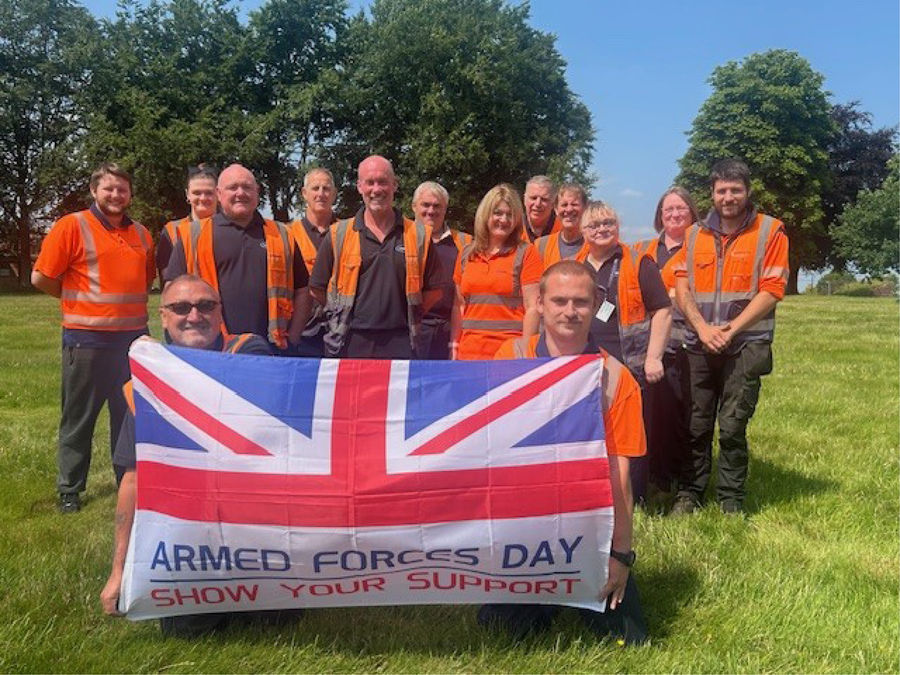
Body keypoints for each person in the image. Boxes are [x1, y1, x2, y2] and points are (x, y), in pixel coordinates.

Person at [481, 260, 648, 645]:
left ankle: (576, 587)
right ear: (539, 303)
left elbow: (619, 474)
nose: (569, 312)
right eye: (559, 301)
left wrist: (620, 555)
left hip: (588, 528)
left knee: (627, 640)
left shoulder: (617, 378)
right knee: (501, 630)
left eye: (580, 302)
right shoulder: (510, 359)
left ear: (596, 305)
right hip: (524, 528)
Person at [100, 274, 274, 638]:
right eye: (180, 307)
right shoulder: (144, 386)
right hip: (192, 529)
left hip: (255, 521)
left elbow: (239, 378)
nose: (194, 315)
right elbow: (132, 480)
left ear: (220, 311)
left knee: (282, 615)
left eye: (206, 306)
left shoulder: (249, 351)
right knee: (186, 631)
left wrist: (165, 362)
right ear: (162, 316)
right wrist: (119, 572)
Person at [31, 163, 155, 513]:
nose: (116, 195)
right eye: (109, 188)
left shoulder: (143, 234)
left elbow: (144, 282)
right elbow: (41, 278)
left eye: (122, 189)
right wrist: (77, 299)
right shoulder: (72, 225)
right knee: (78, 417)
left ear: (130, 194)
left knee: (129, 416)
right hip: (86, 341)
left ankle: (125, 481)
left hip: (133, 342)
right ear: (94, 191)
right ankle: (70, 489)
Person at [670, 159, 789, 515]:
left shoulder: (771, 231)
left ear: (747, 191)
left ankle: (730, 500)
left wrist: (730, 330)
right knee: (696, 423)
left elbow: (772, 289)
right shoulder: (694, 234)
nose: (728, 197)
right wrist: (704, 329)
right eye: (721, 190)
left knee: (733, 425)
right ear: (712, 194)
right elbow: (680, 283)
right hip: (700, 343)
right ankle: (690, 493)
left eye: (735, 190)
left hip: (746, 344)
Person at [164, 163, 311, 354]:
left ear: (257, 192)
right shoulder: (192, 236)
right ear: (218, 193)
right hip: (211, 348)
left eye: (247, 187)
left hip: (273, 349)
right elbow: (170, 293)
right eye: (232, 187)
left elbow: (303, 291)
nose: (240, 193)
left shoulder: (282, 235)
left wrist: (293, 338)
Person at [309, 155, 443, 359]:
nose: (376, 189)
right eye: (370, 182)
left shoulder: (419, 235)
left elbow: (435, 291)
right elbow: (317, 288)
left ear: (394, 185)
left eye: (383, 182)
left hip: (403, 343)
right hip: (348, 342)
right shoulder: (339, 234)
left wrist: (411, 312)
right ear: (359, 186)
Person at [630, 187, 701, 496]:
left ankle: (673, 474)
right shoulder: (642, 248)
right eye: (668, 210)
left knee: (677, 411)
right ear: (659, 215)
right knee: (649, 413)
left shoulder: (701, 247)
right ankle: (651, 473)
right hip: (644, 341)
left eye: (680, 209)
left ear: (692, 213)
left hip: (682, 341)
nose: (674, 214)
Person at [450, 184, 542, 360]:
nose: (504, 219)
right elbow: (458, 306)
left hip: (509, 355)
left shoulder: (526, 253)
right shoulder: (466, 254)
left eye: (510, 214)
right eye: (498, 213)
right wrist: (454, 345)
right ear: (485, 215)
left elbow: (532, 308)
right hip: (469, 354)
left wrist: (526, 351)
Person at [412, 181, 471, 359]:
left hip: (450, 329)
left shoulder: (465, 242)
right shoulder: (402, 240)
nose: (431, 211)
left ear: (445, 209)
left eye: (437, 206)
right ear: (414, 207)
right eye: (425, 205)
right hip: (414, 329)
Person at [290, 167, 337, 356]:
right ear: (304, 193)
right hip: (300, 329)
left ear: (334, 194)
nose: (321, 194)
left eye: (326, 189)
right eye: (315, 188)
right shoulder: (288, 234)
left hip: (338, 329)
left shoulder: (348, 233)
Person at [156, 164, 218, 284]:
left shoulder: (230, 229)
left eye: (209, 193)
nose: (203, 198)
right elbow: (168, 282)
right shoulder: (172, 230)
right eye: (197, 193)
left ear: (218, 194)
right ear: (187, 194)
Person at [533, 182, 590, 269]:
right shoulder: (541, 246)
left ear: (585, 208)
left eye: (574, 204)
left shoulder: (595, 245)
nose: (569, 209)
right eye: (564, 205)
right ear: (556, 209)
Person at [521, 175, 563, 242]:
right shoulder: (512, 228)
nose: (538, 204)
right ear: (524, 199)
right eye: (533, 198)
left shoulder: (564, 231)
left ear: (553, 203)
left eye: (544, 199)